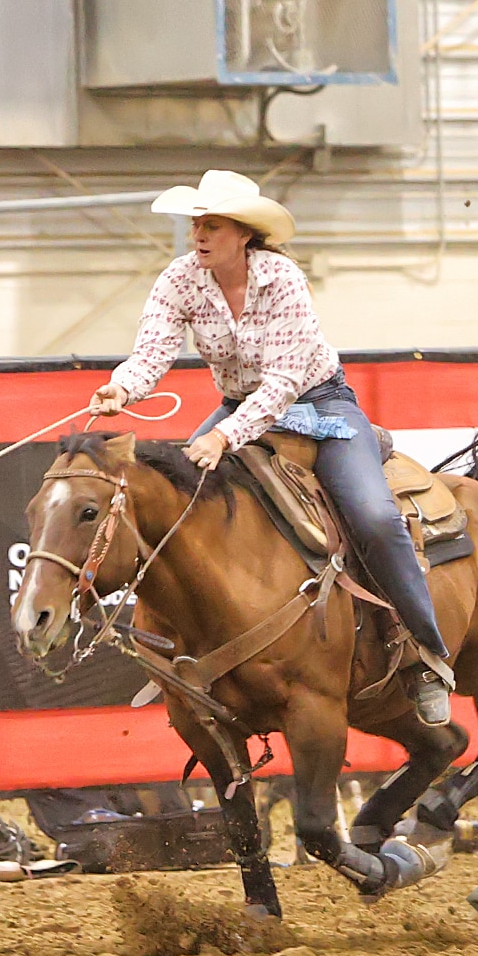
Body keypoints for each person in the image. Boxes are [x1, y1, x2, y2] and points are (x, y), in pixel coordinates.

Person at [89, 170, 455, 725]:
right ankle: (192, 649)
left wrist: (223, 435)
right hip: (240, 406)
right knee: (181, 502)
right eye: (196, 224)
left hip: (319, 405)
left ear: (244, 233)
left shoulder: (282, 278)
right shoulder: (179, 279)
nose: (198, 234)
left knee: (375, 518)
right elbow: (152, 352)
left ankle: (426, 658)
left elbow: (284, 382)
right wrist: (122, 389)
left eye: (212, 225)